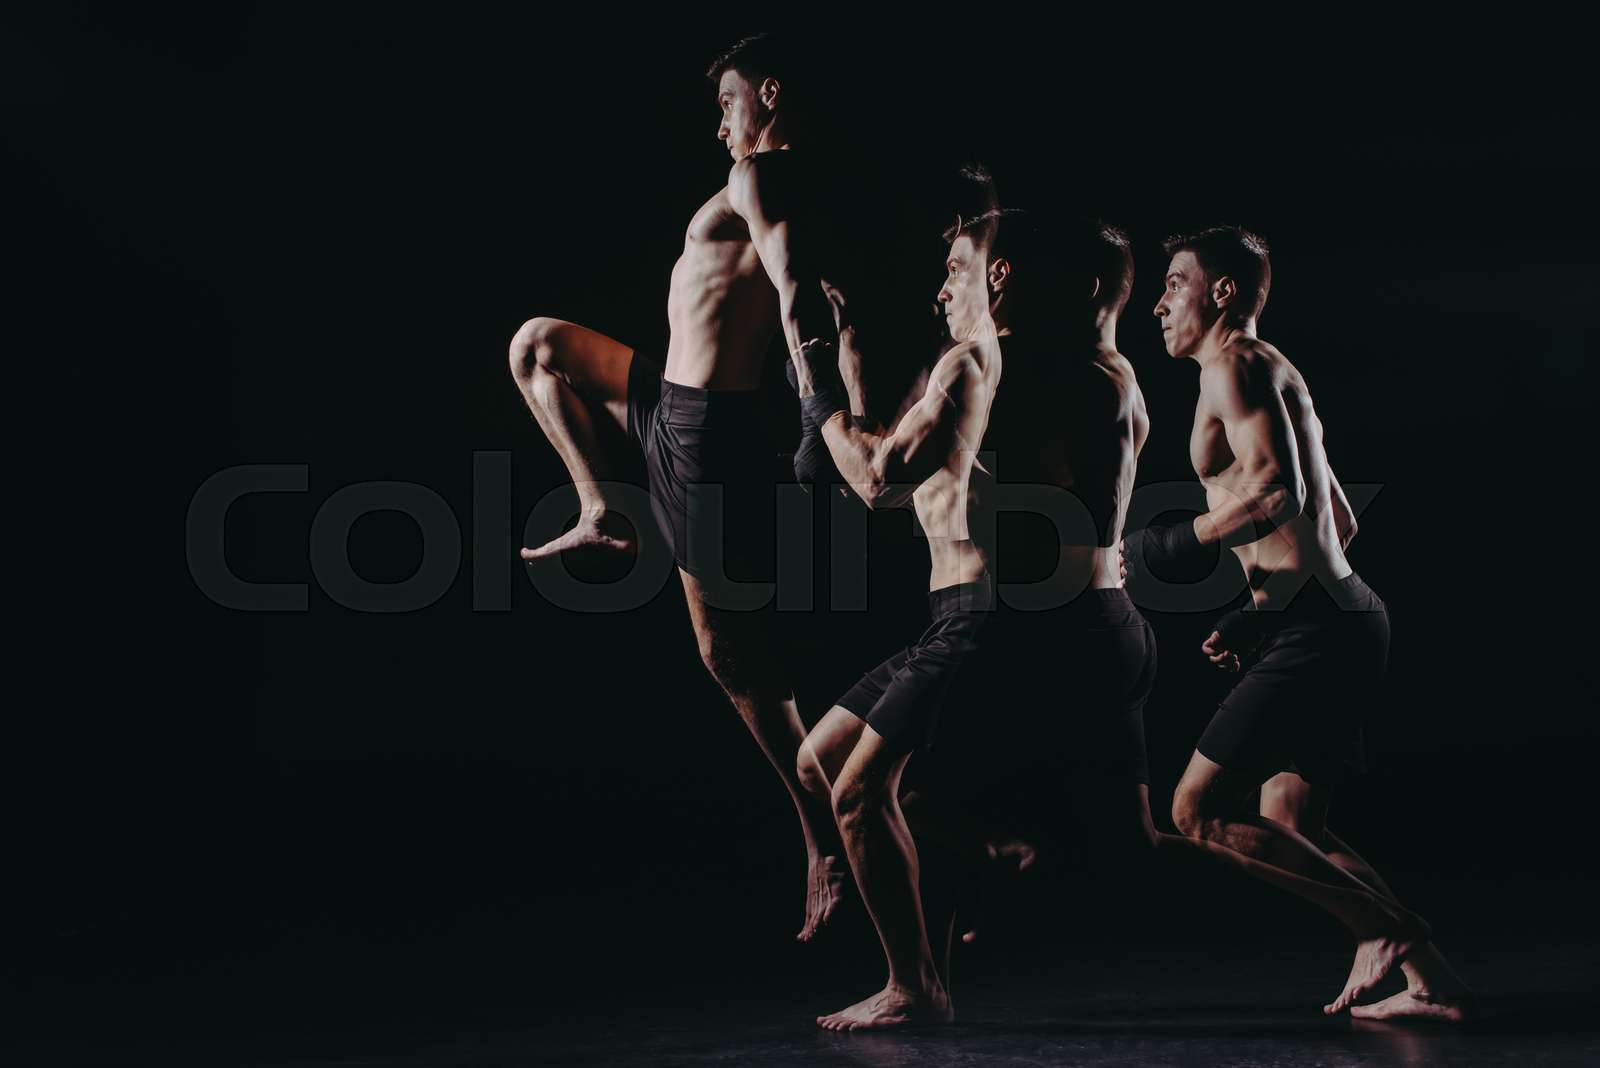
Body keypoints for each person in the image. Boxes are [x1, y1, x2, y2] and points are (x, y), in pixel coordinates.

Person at [507, 34, 858, 941]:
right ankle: (601, 508)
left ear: (769, 93)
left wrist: (820, 411)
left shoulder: (764, 177)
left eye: (728, 102)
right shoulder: (769, 181)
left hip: (707, 431)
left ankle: (827, 835)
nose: (720, 124)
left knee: (731, 657)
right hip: (665, 399)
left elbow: (798, 292)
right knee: (538, 346)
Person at [1131, 225, 1470, 1020]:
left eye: (1174, 283)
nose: (1158, 303)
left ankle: (1388, 930)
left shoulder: (1234, 366)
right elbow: (1338, 520)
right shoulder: (1270, 367)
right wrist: (1260, 611)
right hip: (1335, 614)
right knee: (1290, 821)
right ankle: (1435, 984)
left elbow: (1280, 493)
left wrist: (1165, 546)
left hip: (1323, 627)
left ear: (1222, 292)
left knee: (1194, 811)